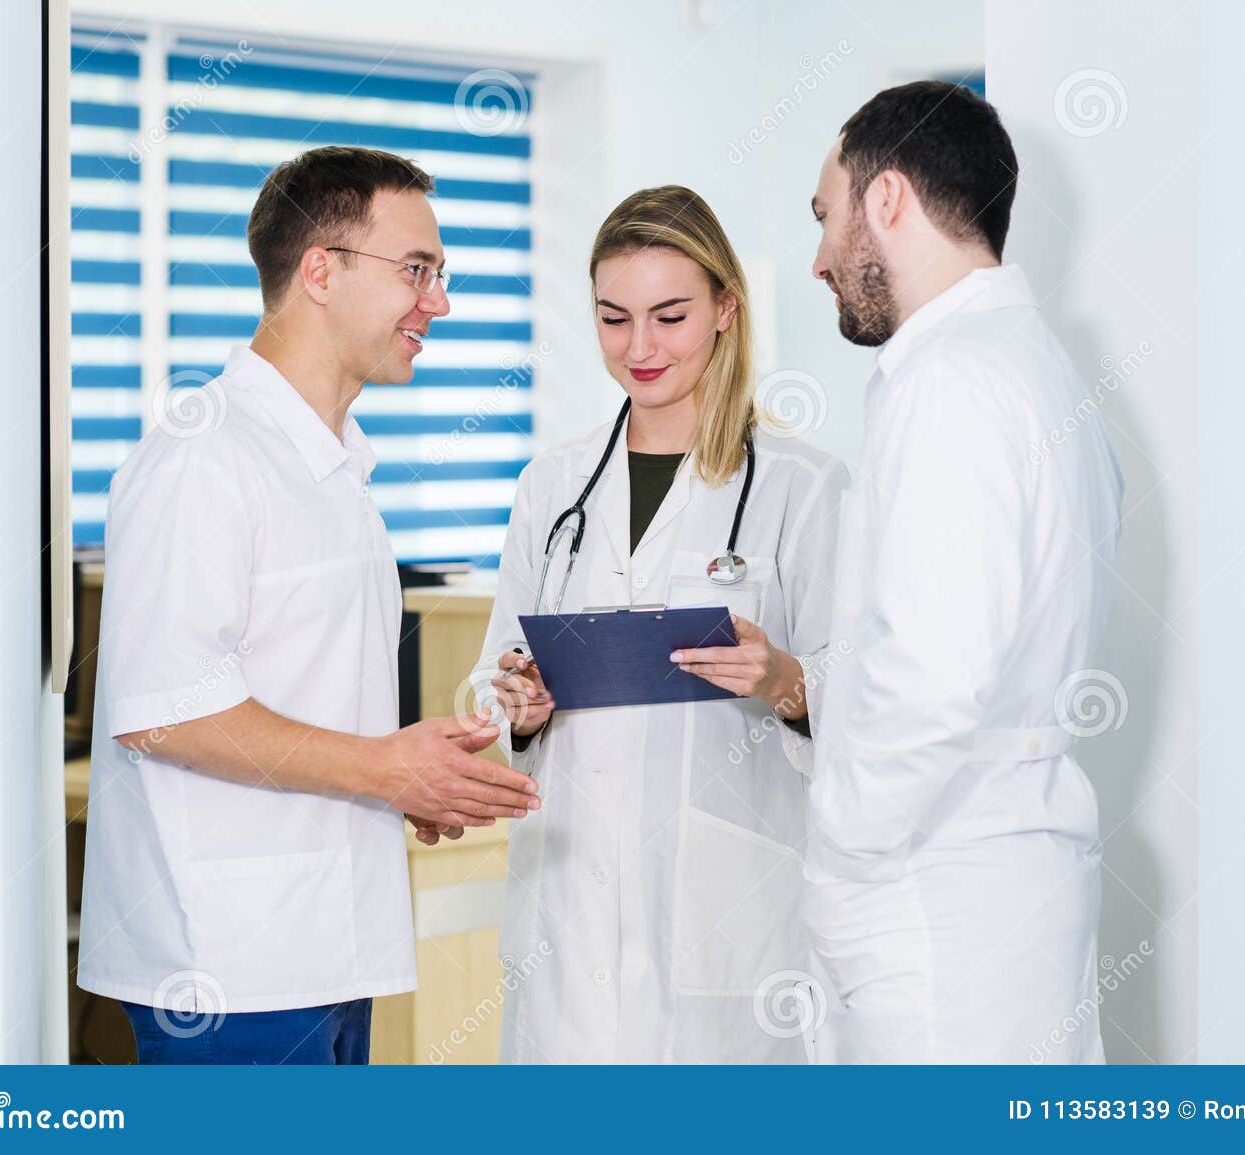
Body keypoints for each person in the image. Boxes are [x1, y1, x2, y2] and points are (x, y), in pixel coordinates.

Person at [77, 146, 541, 1065]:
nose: (437, 301)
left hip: (325, 953)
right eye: (417, 269)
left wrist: (417, 770)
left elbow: (307, 702)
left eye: (439, 272)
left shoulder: (335, 468)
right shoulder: (203, 457)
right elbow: (165, 712)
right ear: (319, 271)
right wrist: (384, 769)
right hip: (227, 970)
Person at [473, 185, 848, 1062]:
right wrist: (515, 706)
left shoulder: (804, 486)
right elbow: (495, 674)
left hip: (726, 918)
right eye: (614, 318)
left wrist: (785, 678)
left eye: (670, 315)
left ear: (725, 308)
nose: (639, 348)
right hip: (567, 908)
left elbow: (866, 689)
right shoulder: (551, 488)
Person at [802, 82, 1125, 1063]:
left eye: (826, 217)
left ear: (887, 200)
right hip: (1009, 893)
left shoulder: (945, 381)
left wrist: (844, 847)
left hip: (935, 903)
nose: (819, 261)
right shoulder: (1036, 369)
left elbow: (932, 677)